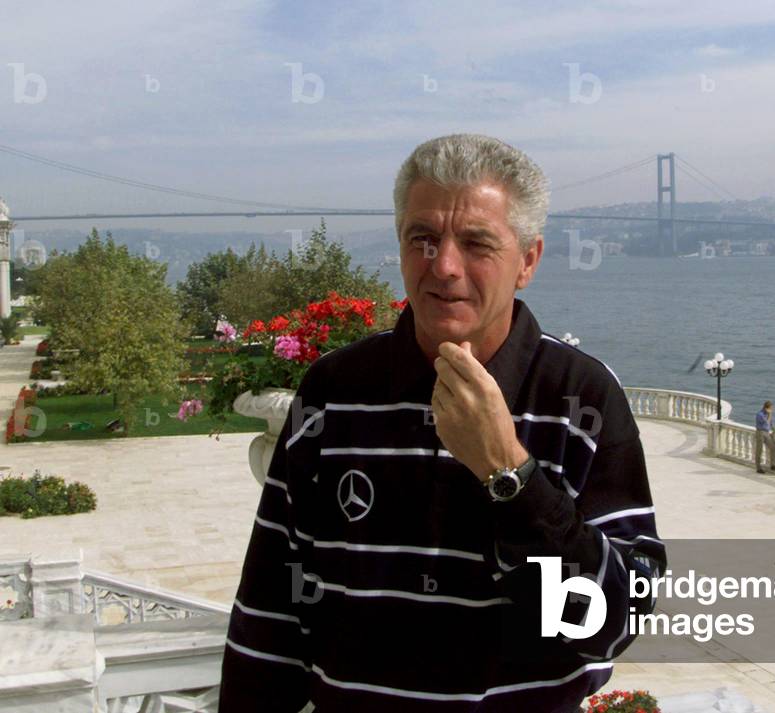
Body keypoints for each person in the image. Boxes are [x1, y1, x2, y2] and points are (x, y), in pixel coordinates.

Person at [219, 134, 667, 712]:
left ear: (528, 260)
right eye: (422, 239)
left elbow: (611, 620)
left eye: (477, 242)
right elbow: (268, 611)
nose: (444, 267)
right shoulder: (334, 391)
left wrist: (511, 475)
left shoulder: (581, 396)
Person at [754, 400, 775, 474]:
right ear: (766, 408)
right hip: (760, 432)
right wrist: (770, 415)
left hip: (766, 432)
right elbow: (766, 422)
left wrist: (774, 430)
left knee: (773, 447)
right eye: (770, 408)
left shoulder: (768, 414)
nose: (771, 410)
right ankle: (758, 467)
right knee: (759, 450)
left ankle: (773, 464)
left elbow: (770, 424)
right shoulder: (760, 414)